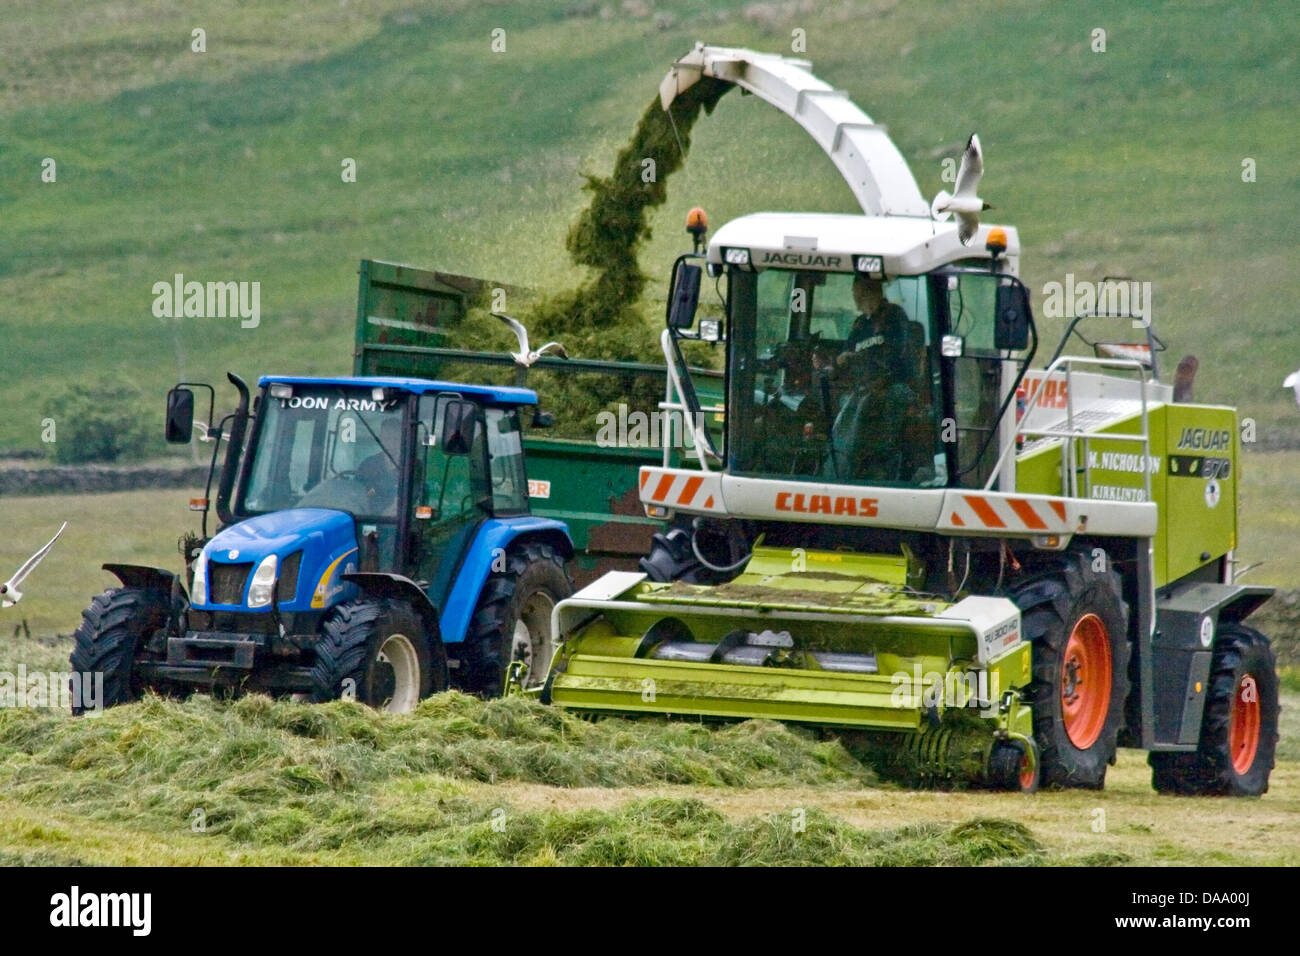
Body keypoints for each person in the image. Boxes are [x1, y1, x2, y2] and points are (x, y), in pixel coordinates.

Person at [824, 275, 927, 481]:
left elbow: (901, 357)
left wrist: (879, 382)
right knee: (850, 403)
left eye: (857, 291)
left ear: (867, 292)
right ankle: (839, 467)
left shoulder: (895, 317)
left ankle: (883, 464)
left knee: (881, 401)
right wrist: (840, 361)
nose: (854, 296)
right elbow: (845, 355)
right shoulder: (860, 324)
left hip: (896, 385)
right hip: (862, 388)